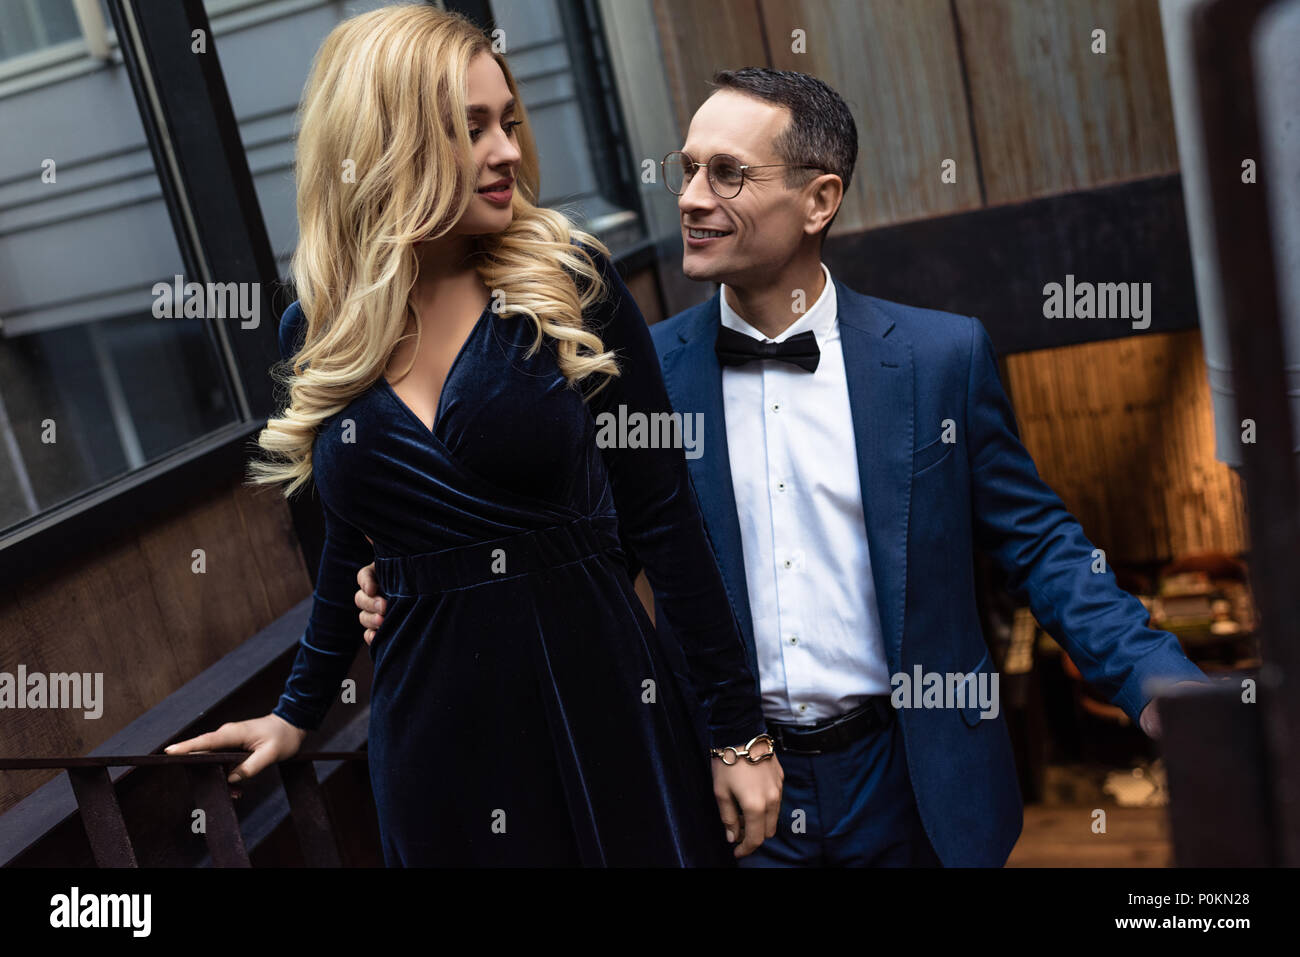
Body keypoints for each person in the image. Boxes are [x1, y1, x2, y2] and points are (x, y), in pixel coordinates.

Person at [357, 67, 1210, 867]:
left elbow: (1043, 547)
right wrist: (418, 582)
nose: (691, 198)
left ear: (818, 199)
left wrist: (1153, 676)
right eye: (687, 170)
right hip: (732, 781)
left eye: (727, 174)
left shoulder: (940, 358)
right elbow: (578, 559)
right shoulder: (627, 372)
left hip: (914, 776)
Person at [165, 6, 781, 867]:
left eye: (509, 122)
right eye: (470, 128)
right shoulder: (317, 327)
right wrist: (297, 709)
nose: (507, 151)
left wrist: (737, 734)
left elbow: (665, 517)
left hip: (597, 692)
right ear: (390, 144)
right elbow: (353, 541)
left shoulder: (571, 281)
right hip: (432, 732)